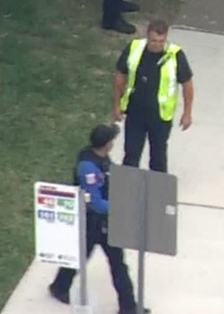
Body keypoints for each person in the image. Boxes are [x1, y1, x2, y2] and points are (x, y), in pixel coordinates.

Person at [48, 124, 146, 314]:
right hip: (94, 222)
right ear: (106, 143)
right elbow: (95, 202)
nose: (113, 144)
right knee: (113, 263)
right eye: (112, 141)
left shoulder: (101, 157)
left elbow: (111, 175)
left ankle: (128, 307)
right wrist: (122, 208)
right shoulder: (88, 168)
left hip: (104, 221)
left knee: (99, 260)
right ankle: (128, 308)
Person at [113, 19, 194, 173]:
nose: (157, 44)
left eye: (161, 41)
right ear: (147, 36)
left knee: (158, 157)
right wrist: (117, 105)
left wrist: (187, 113)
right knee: (131, 153)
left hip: (160, 116)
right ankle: (128, 189)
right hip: (135, 112)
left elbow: (187, 85)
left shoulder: (175, 55)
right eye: (153, 41)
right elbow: (120, 75)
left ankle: (158, 192)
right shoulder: (134, 48)